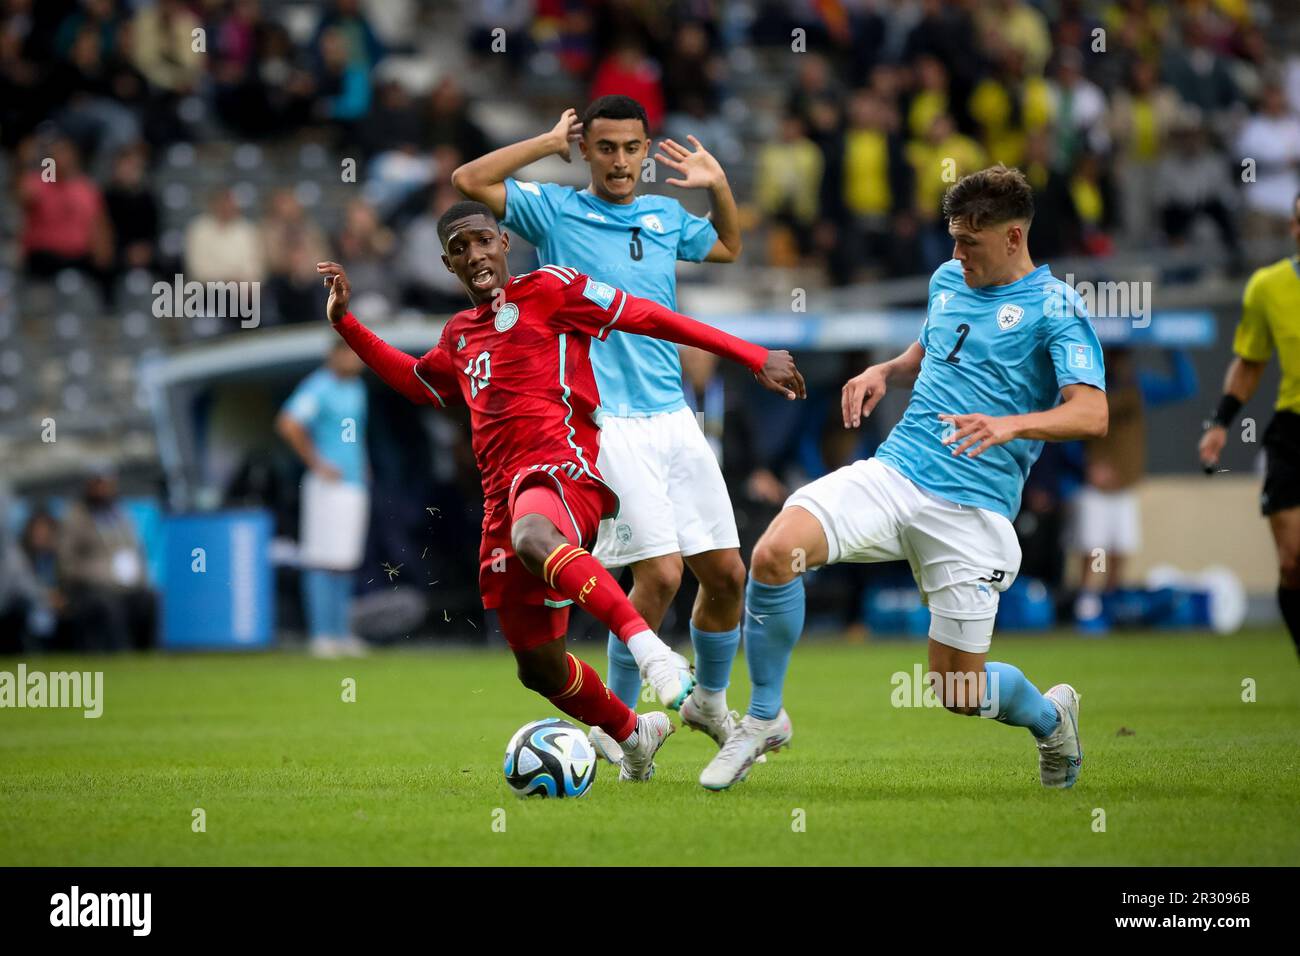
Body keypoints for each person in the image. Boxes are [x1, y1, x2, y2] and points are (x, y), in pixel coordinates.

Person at [315, 199, 803, 781]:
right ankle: (632, 732)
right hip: (503, 498)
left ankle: (655, 656)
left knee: (533, 533)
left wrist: (750, 355)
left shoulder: (553, 288)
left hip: (563, 468)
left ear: (504, 241)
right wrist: (346, 323)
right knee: (537, 665)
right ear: (448, 265)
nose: (475, 255)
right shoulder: (460, 334)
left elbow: (648, 316)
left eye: (482, 241)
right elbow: (418, 382)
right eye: (460, 250)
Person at [702, 165, 1108, 791]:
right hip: (897, 471)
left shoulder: (1056, 306)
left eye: (970, 242)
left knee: (957, 689)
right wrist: (886, 371)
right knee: (777, 552)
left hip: (972, 510)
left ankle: (1053, 717)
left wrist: (1011, 426)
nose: (955, 253)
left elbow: (1091, 412)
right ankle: (763, 718)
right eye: (952, 238)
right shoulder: (949, 278)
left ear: (1014, 237)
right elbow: (935, 347)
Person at [450, 95, 755, 766]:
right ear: (586, 150)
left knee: (728, 573)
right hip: (602, 422)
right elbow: (469, 183)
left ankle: (707, 699)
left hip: (675, 414)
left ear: (646, 152)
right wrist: (546, 138)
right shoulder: (553, 210)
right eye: (605, 147)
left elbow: (730, 246)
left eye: (630, 148)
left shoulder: (666, 216)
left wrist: (720, 186)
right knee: (662, 575)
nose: (619, 161)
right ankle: (619, 731)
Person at [1198, 193, 1300, 657]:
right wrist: (1221, 422)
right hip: (1292, 432)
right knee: (1293, 561)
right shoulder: (1268, 286)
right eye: (1297, 221)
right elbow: (1250, 362)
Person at [276, 340, 370, 658]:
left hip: (354, 484)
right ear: (334, 355)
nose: (355, 360)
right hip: (327, 485)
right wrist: (316, 463)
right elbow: (288, 423)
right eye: (349, 353)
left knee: (346, 560)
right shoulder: (318, 386)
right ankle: (321, 634)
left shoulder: (357, 388)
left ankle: (342, 633)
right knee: (321, 558)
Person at [57, 465, 158, 651]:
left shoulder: (120, 515)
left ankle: (148, 654)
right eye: (99, 484)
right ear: (89, 486)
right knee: (108, 604)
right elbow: (66, 563)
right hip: (91, 588)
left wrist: (139, 577)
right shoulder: (75, 517)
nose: (104, 489)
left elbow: (136, 550)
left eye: (108, 484)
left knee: (149, 600)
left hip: (126, 585)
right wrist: (101, 574)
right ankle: (120, 654)